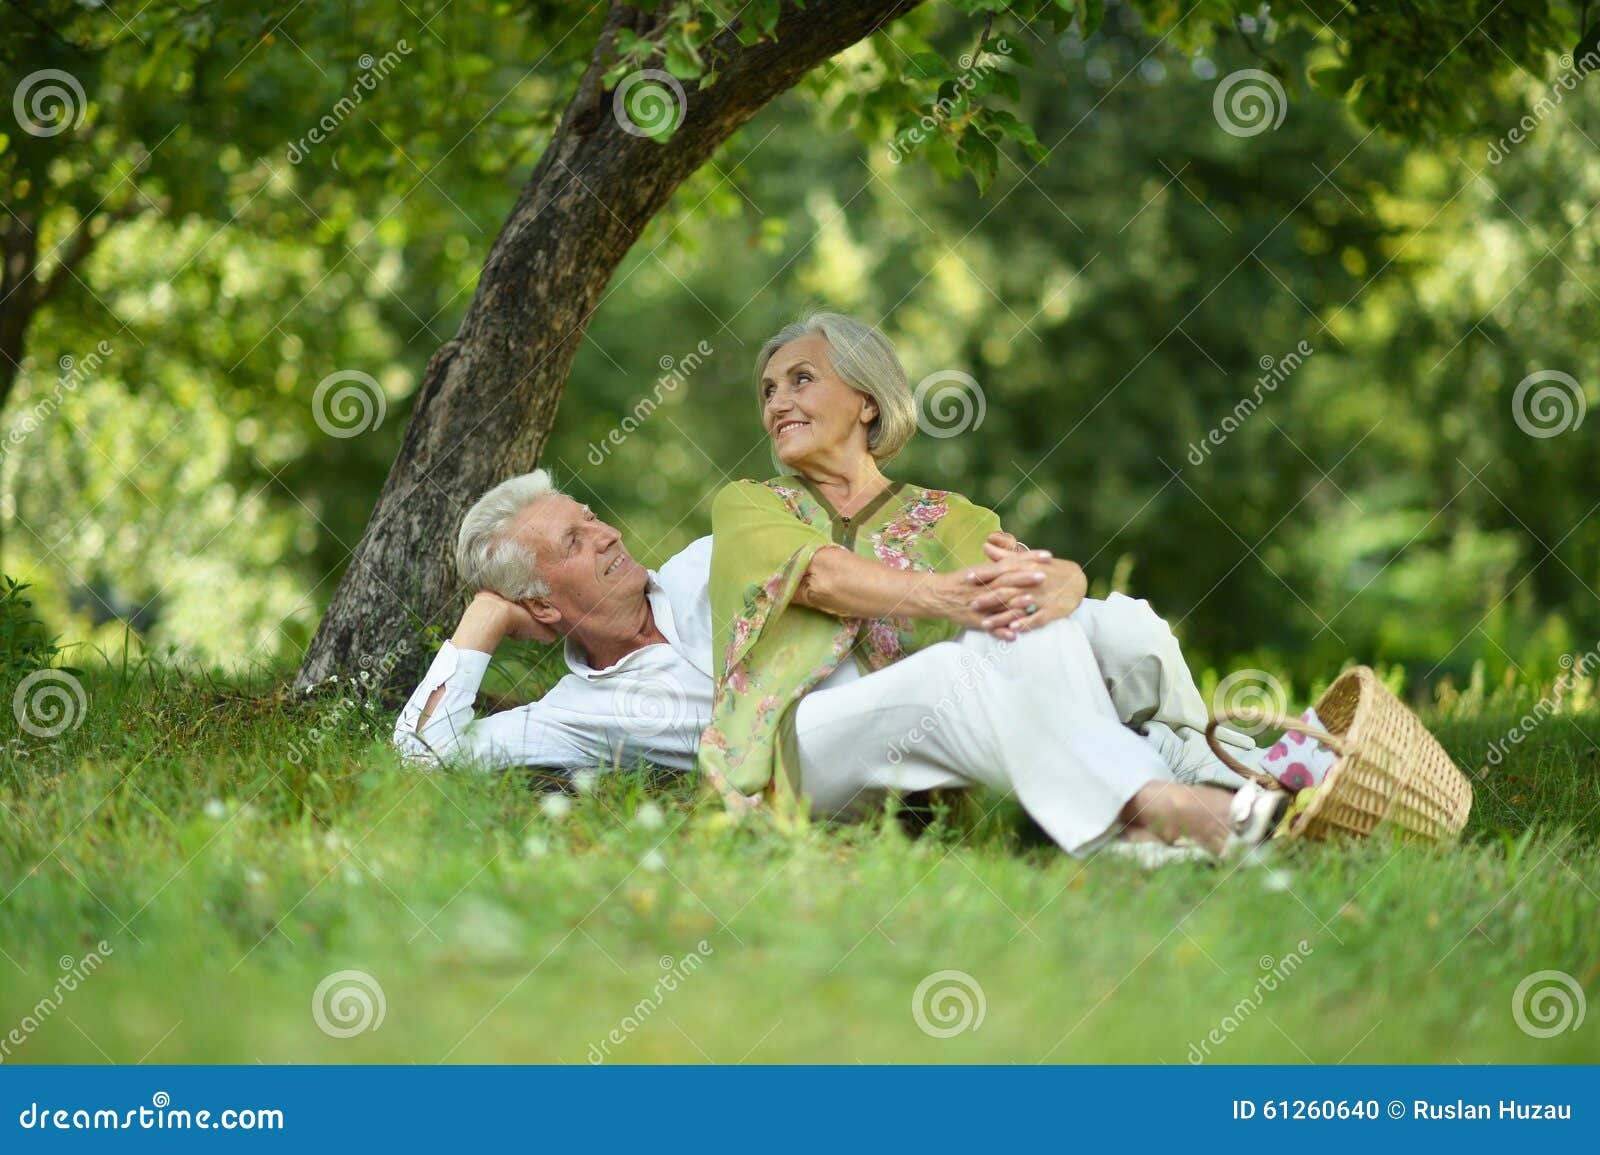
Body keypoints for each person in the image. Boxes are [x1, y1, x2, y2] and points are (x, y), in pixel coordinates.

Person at [394, 470, 1261, 841]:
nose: (609, 532)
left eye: (592, 516)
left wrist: (1013, 584)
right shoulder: (575, 718)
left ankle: (1215, 776)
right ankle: (1164, 807)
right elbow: (421, 751)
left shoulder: (704, 562)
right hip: (811, 765)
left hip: (887, 689)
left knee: (1117, 624)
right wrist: (483, 619)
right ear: (542, 600)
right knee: (958, 675)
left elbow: (850, 574)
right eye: (576, 541)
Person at [700, 311, 1284, 860]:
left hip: (941, 769)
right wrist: (946, 596)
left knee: (1038, 626)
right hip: (806, 753)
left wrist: (1062, 583)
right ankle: (1170, 801)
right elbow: (820, 578)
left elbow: (1037, 584)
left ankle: (1138, 837)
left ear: (868, 403)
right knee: (947, 672)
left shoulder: (948, 513)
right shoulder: (749, 503)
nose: (779, 403)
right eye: (770, 390)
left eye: (801, 379)